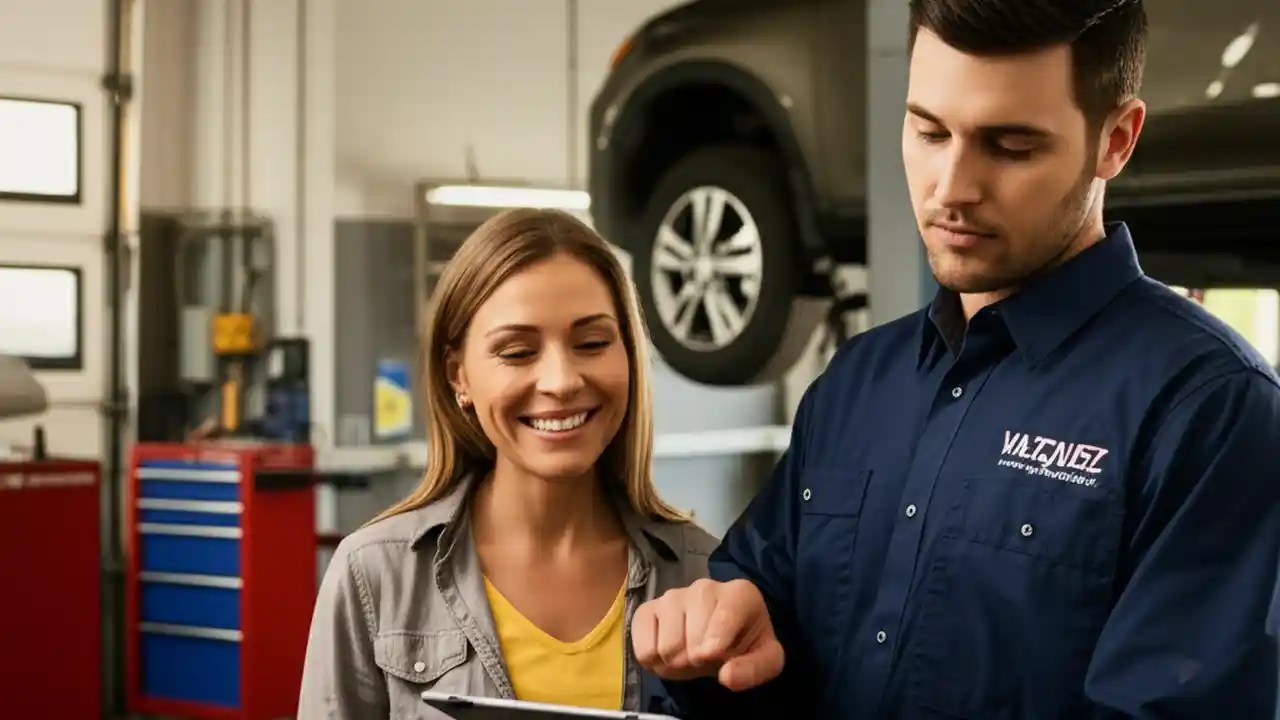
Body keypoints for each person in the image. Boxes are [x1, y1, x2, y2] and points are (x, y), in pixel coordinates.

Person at [632, 0, 1280, 717]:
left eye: (1010, 146)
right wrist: (708, 652)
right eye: (928, 130)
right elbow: (756, 626)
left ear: (1116, 140)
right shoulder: (857, 384)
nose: (951, 188)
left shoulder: (1212, 410)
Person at [298, 208, 717, 718]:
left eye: (592, 344)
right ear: (459, 377)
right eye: (517, 352)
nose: (561, 380)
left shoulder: (705, 574)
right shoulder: (374, 576)